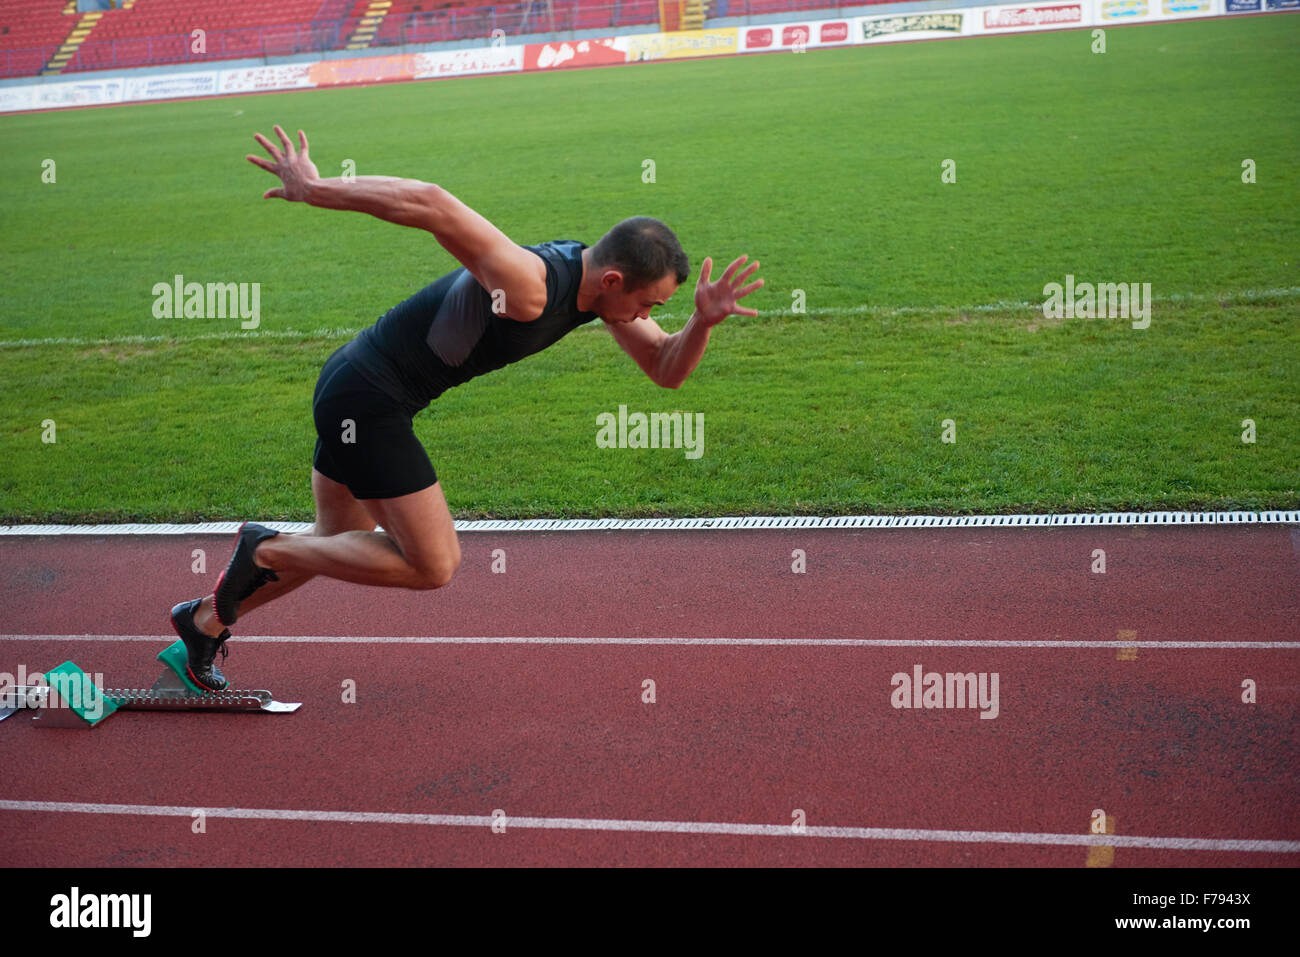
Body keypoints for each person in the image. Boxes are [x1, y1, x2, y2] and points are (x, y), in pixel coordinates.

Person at [169, 125, 763, 690]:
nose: (645, 316)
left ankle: (202, 624)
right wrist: (315, 189)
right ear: (613, 279)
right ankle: (263, 547)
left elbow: (665, 369)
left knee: (340, 542)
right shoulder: (531, 285)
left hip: (356, 387)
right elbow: (434, 203)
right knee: (432, 564)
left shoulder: (595, 296)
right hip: (369, 398)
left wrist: (702, 322)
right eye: (646, 303)